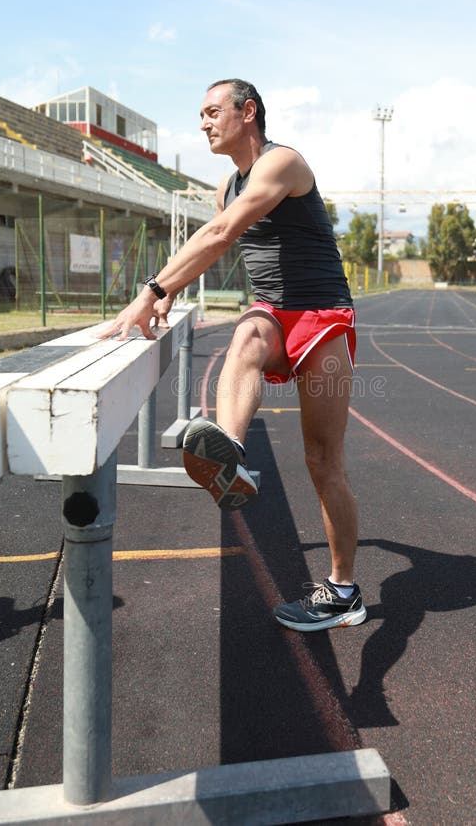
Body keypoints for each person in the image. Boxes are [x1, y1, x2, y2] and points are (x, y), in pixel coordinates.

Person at [96, 79, 366, 632]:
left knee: (323, 461)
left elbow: (221, 234)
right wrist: (171, 295)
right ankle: (230, 456)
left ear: (248, 112)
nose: (203, 123)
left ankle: (343, 592)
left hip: (321, 316)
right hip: (271, 312)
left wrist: (153, 292)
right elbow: (219, 237)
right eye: (199, 114)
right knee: (244, 337)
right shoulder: (228, 185)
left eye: (211, 112)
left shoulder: (283, 163)